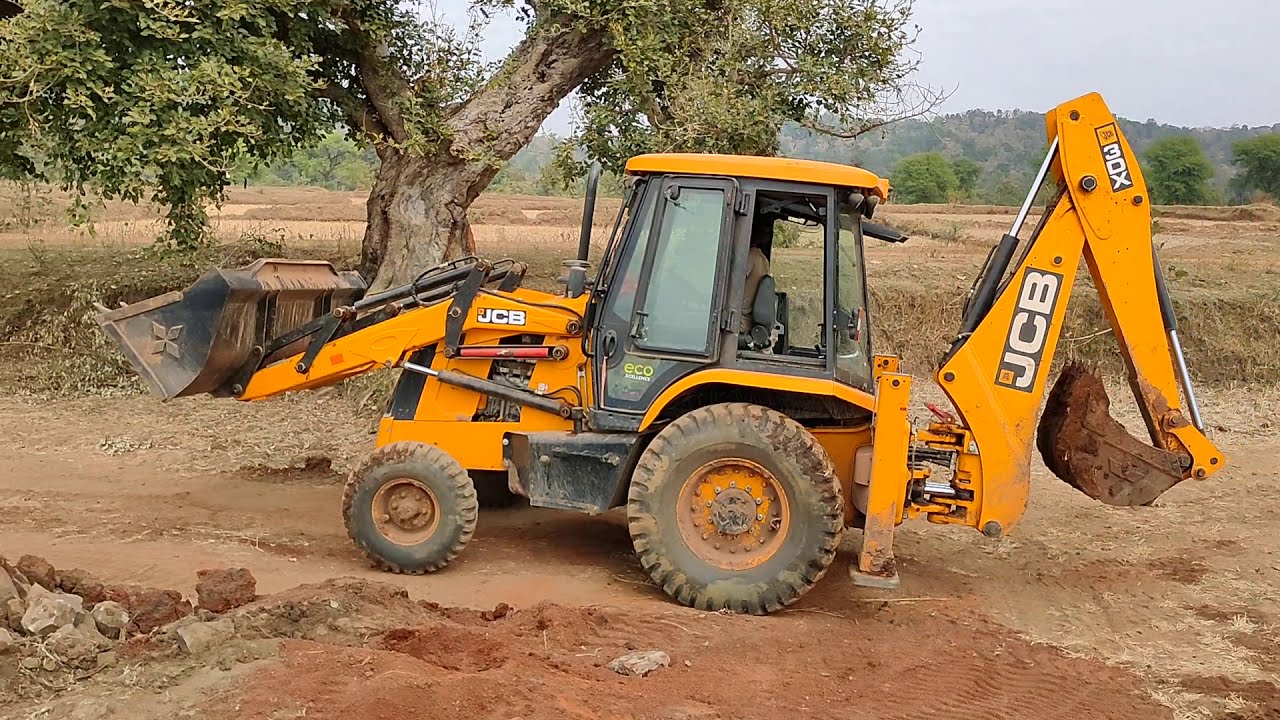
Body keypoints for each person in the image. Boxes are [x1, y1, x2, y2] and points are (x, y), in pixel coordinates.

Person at [739, 214, 773, 333]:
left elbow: (734, 283)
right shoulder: (763, 259)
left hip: (739, 321)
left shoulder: (751, 256)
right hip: (748, 321)